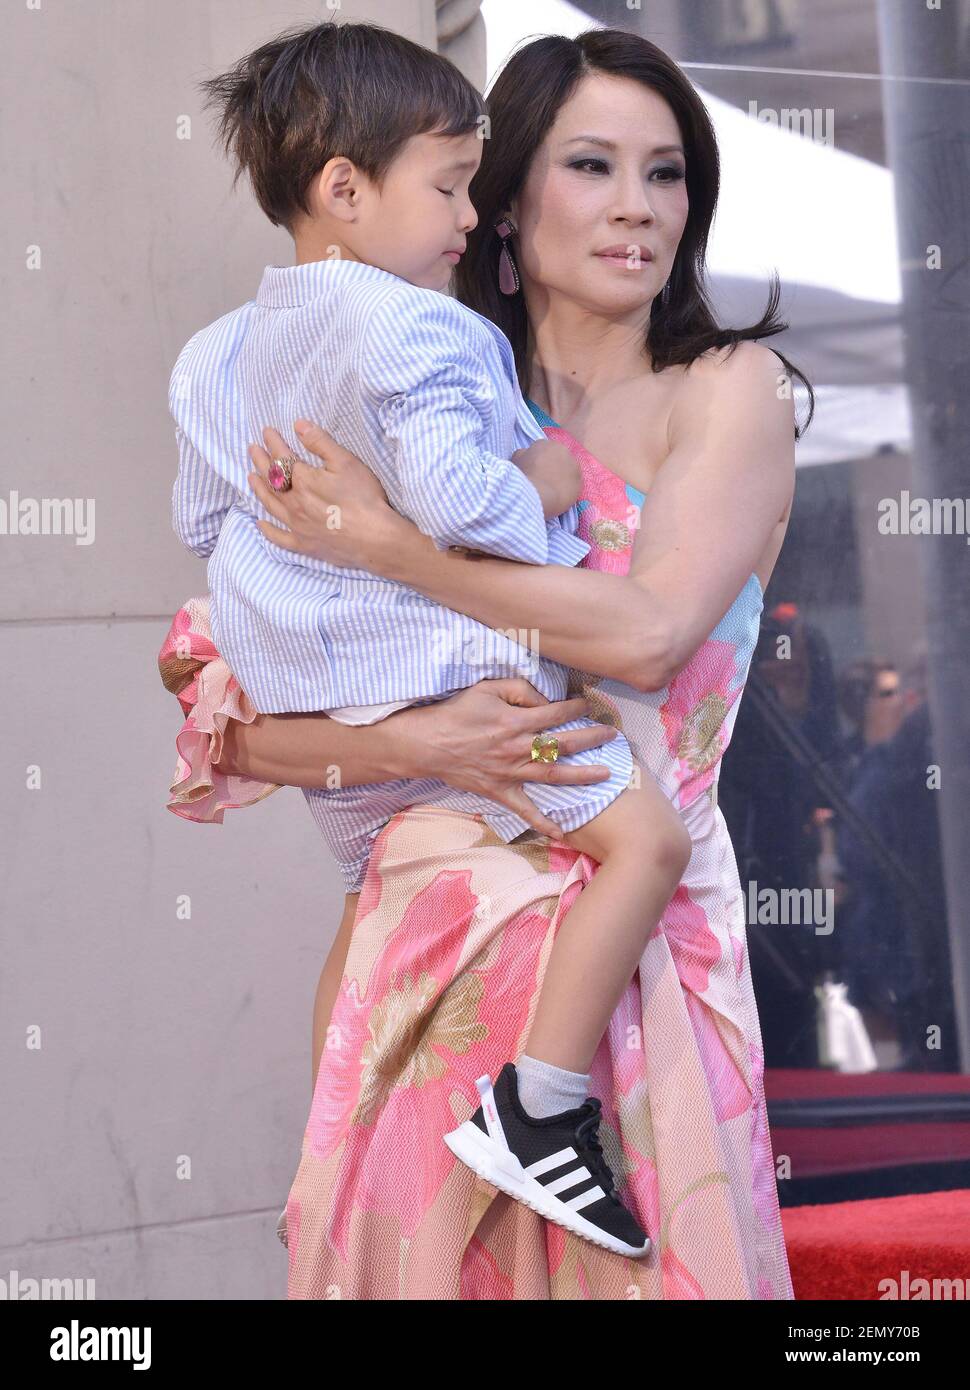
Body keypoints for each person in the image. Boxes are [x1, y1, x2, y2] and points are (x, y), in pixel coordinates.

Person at [160, 24, 813, 1298]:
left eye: (667, 173)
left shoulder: (723, 391)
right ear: (499, 199)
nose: (638, 208)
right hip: (413, 946)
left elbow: (646, 633)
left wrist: (396, 550)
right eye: (592, 166)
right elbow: (224, 708)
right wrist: (410, 743)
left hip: (635, 962)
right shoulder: (413, 382)